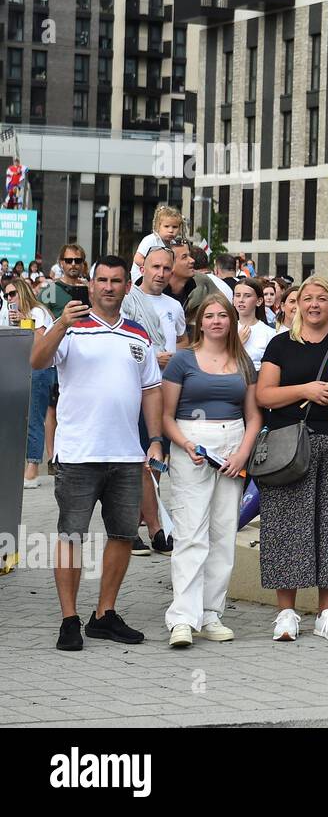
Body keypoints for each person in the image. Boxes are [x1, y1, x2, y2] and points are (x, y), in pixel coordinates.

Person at [30, 256, 164, 651]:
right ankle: (69, 618)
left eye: (116, 281)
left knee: (122, 535)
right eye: (102, 280)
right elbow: (36, 360)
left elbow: (151, 390)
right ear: (91, 286)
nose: (108, 287)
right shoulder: (71, 328)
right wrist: (59, 324)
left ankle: (104, 614)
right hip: (78, 453)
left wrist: (154, 439)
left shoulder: (138, 333)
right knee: (71, 534)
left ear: (127, 286)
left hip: (125, 454)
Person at [255, 277, 328, 641]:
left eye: (322, 299)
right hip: (290, 444)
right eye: (308, 299)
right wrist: (307, 389)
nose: (314, 305)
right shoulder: (281, 344)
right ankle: (286, 612)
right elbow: (265, 395)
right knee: (287, 522)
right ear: (297, 304)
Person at [159, 294, 261, 647]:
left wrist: (243, 454)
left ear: (232, 321)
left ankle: (211, 613)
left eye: (223, 315)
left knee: (222, 533)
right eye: (210, 316)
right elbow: (166, 415)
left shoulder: (243, 362)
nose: (217, 321)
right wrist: (183, 444)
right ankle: (182, 618)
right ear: (199, 322)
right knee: (190, 533)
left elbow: (253, 415)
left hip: (232, 445)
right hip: (192, 443)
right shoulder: (182, 361)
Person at [121, 245, 187, 557]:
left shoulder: (175, 305)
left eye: (166, 269)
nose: (160, 273)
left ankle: (139, 524)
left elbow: (185, 341)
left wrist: (178, 359)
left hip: (167, 392)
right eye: (155, 267)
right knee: (137, 462)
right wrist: (149, 358)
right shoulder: (127, 301)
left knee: (156, 461)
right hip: (135, 390)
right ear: (143, 268)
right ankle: (151, 527)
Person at [6, 277, 55, 488]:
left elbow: (41, 345)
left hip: (40, 369)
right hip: (20, 369)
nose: (9, 298)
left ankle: (33, 469)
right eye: (6, 295)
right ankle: (19, 467)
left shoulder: (37, 312)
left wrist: (24, 321)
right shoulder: (9, 314)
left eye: (12, 294)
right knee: (19, 418)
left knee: (34, 416)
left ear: (22, 293)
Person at [233, 278, 277, 370]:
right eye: (237, 295)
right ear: (233, 300)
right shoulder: (226, 329)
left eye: (247, 296)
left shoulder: (270, 333)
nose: (241, 300)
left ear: (259, 301)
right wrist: (238, 344)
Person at [131, 204, 184, 281]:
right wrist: (154, 269)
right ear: (158, 226)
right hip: (141, 278)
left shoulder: (173, 244)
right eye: (166, 226)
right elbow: (137, 258)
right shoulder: (151, 240)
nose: (171, 230)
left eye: (175, 227)